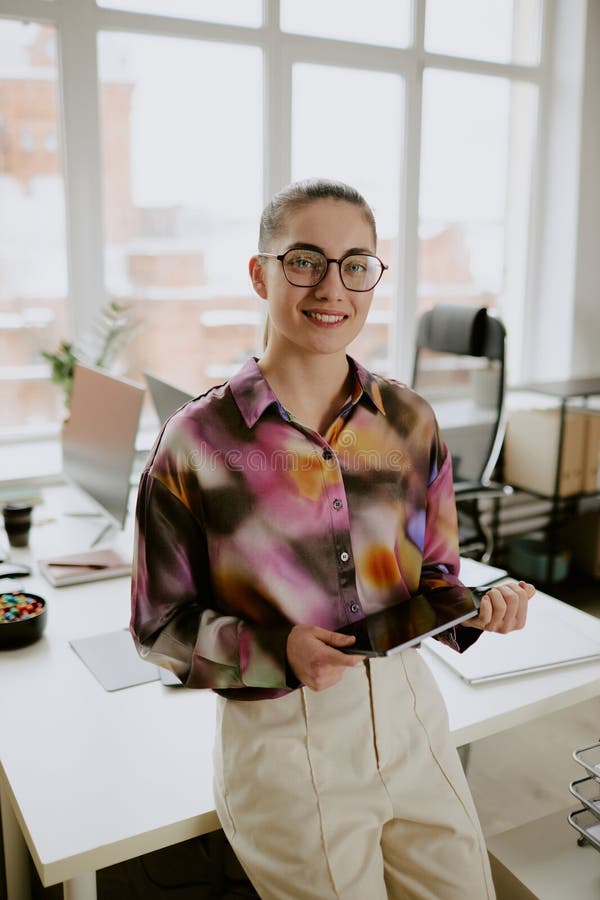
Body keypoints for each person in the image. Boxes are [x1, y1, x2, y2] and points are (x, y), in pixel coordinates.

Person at [130, 178, 535, 900]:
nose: (331, 287)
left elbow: (434, 577)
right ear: (261, 273)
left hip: (412, 718)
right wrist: (276, 648)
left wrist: (482, 600)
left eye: (355, 264)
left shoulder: (408, 422)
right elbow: (157, 627)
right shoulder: (196, 443)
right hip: (285, 744)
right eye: (305, 260)